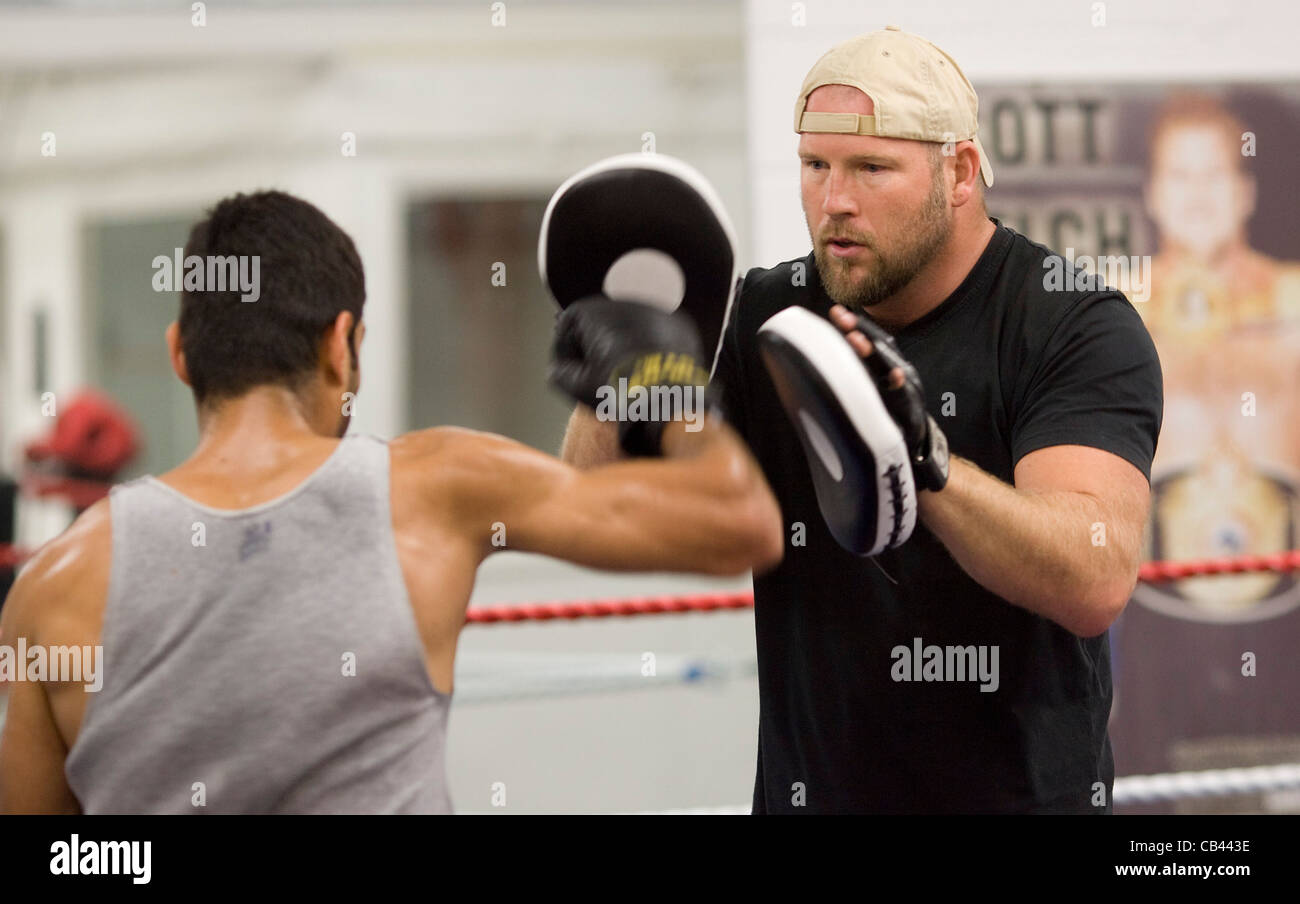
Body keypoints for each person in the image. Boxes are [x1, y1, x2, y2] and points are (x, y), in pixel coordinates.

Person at [0, 190, 783, 814]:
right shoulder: (434, 488)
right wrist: (664, 385)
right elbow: (738, 521)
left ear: (179, 354)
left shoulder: (50, 587)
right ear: (342, 345)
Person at [562, 27, 1164, 813]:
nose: (834, 200)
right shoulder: (760, 315)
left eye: (871, 168)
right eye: (815, 166)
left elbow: (1095, 577)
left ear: (961, 171)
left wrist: (924, 459)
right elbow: (588, 510)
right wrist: (617, 376)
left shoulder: (1069, 323)